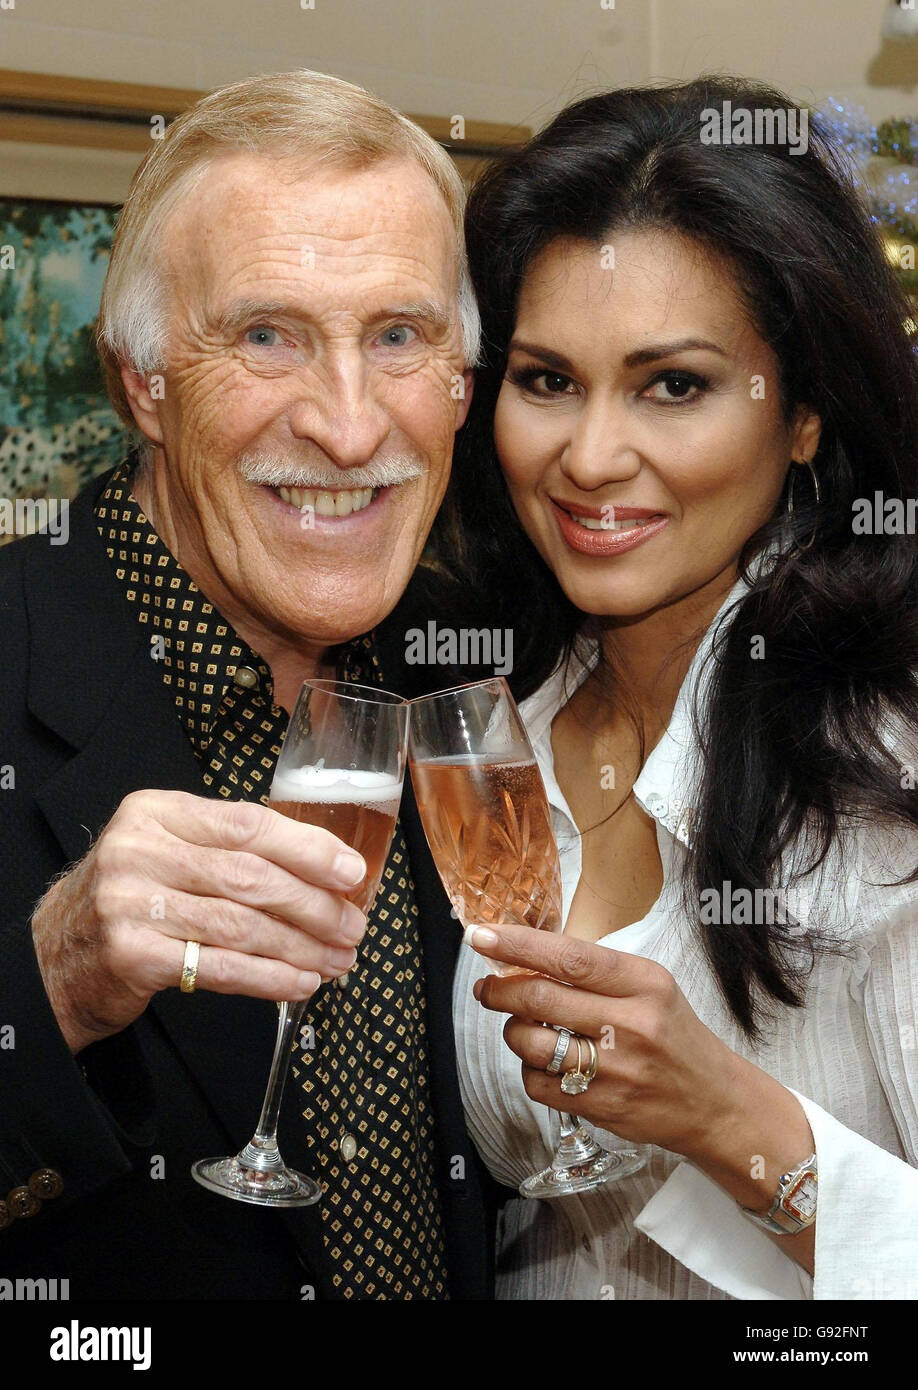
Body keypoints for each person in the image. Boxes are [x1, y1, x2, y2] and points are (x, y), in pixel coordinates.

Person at [0, 68, 496, 1301]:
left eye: (399, 337)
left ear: (462, 388)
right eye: (267, 335)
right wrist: (51, 983)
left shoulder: (486, 675)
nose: (346, 424)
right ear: (140, 385)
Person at [440, 75, 918, 1299]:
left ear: (803, 413)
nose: (592, 458)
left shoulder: (892, 760)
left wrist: (732, 1120)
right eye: (546, 378)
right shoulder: (488, 726)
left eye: (674, 385)